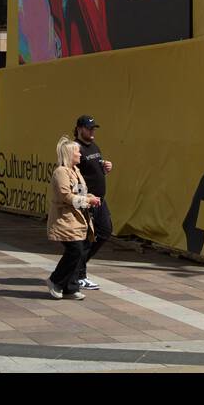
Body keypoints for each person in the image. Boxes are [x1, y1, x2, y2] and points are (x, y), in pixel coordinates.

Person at [46, 135, 101, 300]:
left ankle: (71, 287)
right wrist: (87, 200)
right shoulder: (61, 172)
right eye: (77, 151)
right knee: (75, 250)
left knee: (81, 250)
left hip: (78, 220)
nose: (80, 154)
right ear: (70, 154)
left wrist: (91, 197)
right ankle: (55, 280)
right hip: (66, 219)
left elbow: (80, 192)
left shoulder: (76, 171)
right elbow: (66, 196)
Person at [73, 115, 112, 291]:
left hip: (100, 200)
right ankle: (79, 275)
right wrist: (84, 200)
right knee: (87, 238)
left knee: (105, 231)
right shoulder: (75, 148)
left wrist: (105, 168)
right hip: (88, 200)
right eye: (89, 128)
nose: (92, 131)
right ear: (80, 128)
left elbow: (95, 169)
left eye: (93, 128)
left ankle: (77, 268)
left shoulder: (93, 146)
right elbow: (73, 175)